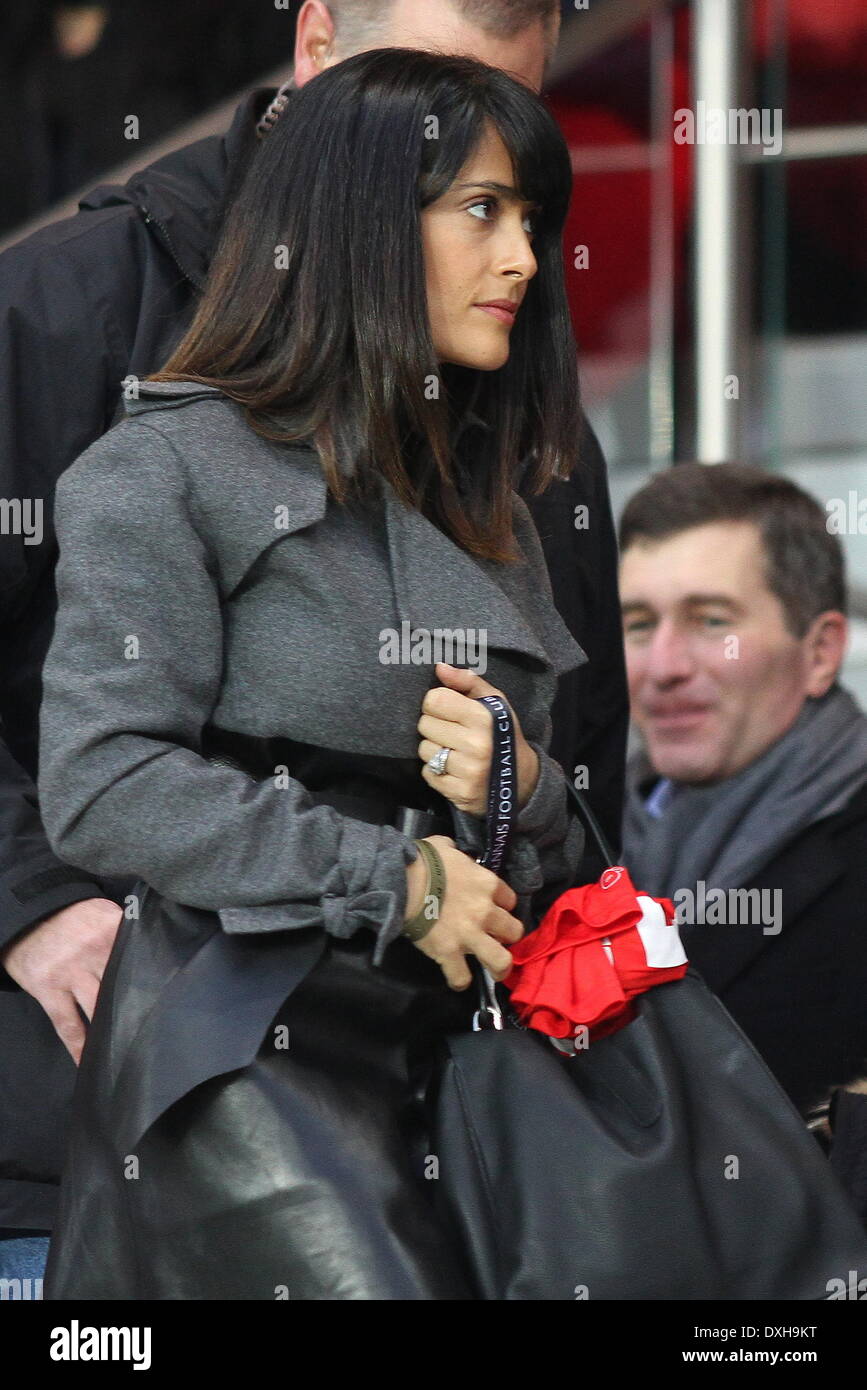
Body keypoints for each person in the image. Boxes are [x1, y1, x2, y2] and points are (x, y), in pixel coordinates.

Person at [0, 0, 627, 1281]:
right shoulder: (148, 444)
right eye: (473, 201)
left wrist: (525, 788)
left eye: (530, 210)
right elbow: (110, 779)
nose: (523, 258)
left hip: (478, 1098)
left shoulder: (507, 483)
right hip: (228, 1093)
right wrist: (391, 879)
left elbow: (584, 802)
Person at [619, 462, 867, 1217]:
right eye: (638, 625)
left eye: (711, 621)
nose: (662, 666)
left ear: (820, 651)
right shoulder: (569, 845)